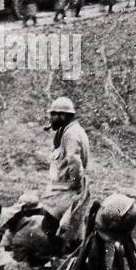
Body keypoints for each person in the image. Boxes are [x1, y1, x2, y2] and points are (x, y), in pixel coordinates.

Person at [41, 96, 91, 251]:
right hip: (65, 189)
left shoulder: (71, 134)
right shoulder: (68, 131)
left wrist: (75, 184)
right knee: (66, 229)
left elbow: (74, 161)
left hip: (67, 191)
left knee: (54, 228)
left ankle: (61, 262)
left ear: (63, 115)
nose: (51, 118)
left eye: (53, 115)